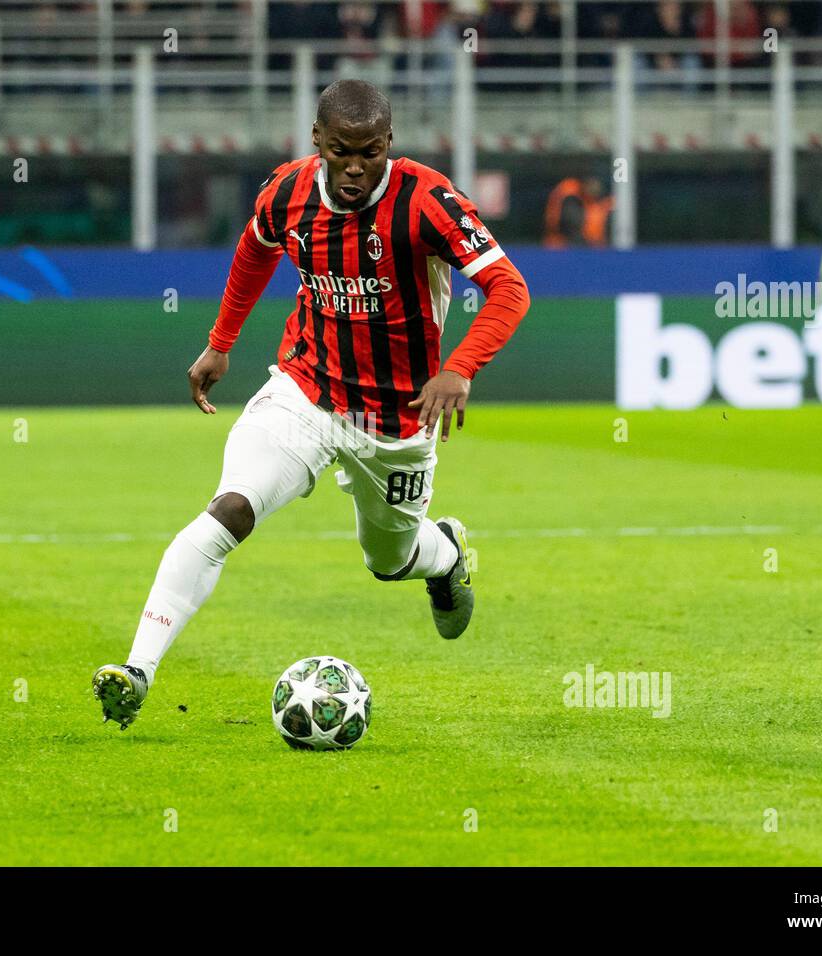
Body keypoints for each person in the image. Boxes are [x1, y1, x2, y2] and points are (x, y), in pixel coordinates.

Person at [91, 79, 531, 729]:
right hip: (307, 393)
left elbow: (508, 287)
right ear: (318, 142)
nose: (356, 168)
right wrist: (220, 343)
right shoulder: (287, 191)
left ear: (390, 144)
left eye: (371, 153)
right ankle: (135, 671)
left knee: (390, 562)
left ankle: (446, 555)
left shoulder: (427, 202)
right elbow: (254, 249)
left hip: (398, 419)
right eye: (342, 152)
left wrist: (460, 368)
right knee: (230, 509)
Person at [543, 176, 613, 248]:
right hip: (564, 247)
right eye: (592, 184)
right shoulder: (571, 198)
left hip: (597, 249)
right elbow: (569, 224)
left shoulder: (606, 203)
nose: (595, 187)